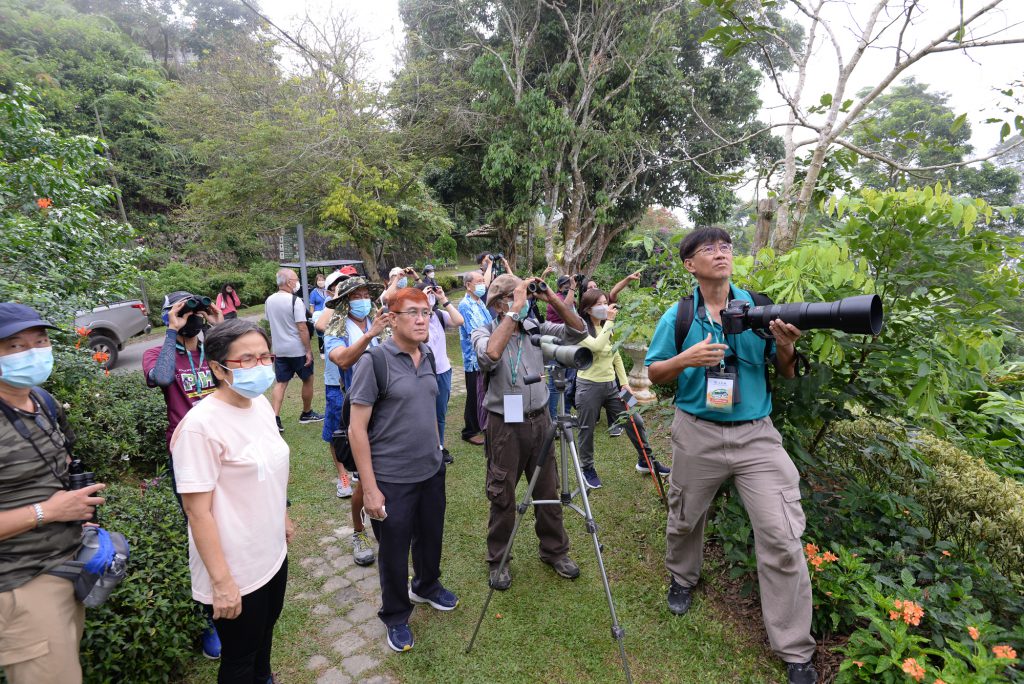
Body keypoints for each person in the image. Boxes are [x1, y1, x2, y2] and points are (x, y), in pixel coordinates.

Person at [645, 227, 816, 684]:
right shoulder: (679, 316)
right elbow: (655, 373)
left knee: (782, 534)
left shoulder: (760, 308)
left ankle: (795, 649)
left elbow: (787, 373)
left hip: (756, 436)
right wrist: (688, 358)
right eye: (708, 249)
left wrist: (786, 347)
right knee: (685, 515)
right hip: (697, 432)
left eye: (726, 247)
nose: (720, 254)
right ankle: (683, 577)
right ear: (690, 265)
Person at [171, 318, 293, 684]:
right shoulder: (200, 427)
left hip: (270, 553)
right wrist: (222, 582)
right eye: (246, 360)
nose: (260, 367)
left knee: (264, 638)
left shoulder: (258, 405)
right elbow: (196, 511)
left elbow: (271, 467)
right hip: (235, 568)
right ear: (217, 368)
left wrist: (282, 517)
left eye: (265, 357)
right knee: (240, 657)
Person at [0, 303, 106, 684]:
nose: (32, 352)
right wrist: (48, 511)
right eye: (14, 346)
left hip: (67, 565)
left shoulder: (41, 400)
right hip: (21, 584)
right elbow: (48, 505)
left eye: (40, 341)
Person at [348, 287, 457, 653]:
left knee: (430, 537)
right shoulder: (373, 362)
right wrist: (371, 488)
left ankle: (426, 585)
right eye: (412, 312)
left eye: (426, 312)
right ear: (391, 319)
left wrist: (437, 453)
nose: (422, 318)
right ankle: (396, 615)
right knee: (393, 552)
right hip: (392, 477)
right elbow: (356, 429)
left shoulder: (426, 355)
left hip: (430, 469)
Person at [471, 274, 586, 591]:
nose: (523, 302)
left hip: (539, 421)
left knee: (548, 489)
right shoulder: (484, 331)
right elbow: (489, 355)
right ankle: (499, 560)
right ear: (498, 304)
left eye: (524, 296)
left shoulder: (535, 329)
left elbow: (578, 332)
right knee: (502, 493)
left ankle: (554, 550)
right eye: (513, 297)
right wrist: (514, 310)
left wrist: (553, 299)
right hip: (504, 424)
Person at [142, 291, 224, 659]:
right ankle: (208, 618)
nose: (193, 317)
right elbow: (160, 379)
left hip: (224, 446)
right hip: (188, 453)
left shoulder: (212, 348)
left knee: (229, 521)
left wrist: (223, 330)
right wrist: (172, 333)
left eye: (196, 310)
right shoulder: (159, 354)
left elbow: (239, 380)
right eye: (183, 311)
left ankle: (234, 586)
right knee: (199, 531)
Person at [323, 276, 391, 567]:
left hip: (387, 406)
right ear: (344, 302)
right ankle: (359, 531)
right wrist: (369, 335)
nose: (363, 298)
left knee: (389, 470)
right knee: (364, 480)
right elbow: (342, 361)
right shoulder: (336, 329)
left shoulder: (378, 323)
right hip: (359, 407)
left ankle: (390, 525)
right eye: (356, 295)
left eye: (366, 293)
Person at [574, 289, 669, 490]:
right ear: (588, 309)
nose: (605, 307)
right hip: (588, 386)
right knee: (586, 429)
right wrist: (609, 321)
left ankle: (646, 460)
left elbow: (615, 355)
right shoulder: (580, 328)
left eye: (605, 303)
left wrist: (624, 382)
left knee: (636, 419)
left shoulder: (607, 327)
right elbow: (597, 347)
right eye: (600, 304)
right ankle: (587, 468)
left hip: (613, 385)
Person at [313, 271, 355, 499]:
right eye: (339, 286)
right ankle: (343, 478)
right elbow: (320, 325)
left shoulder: (360, 313)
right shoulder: (324, 311)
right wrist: (337, 298)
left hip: (361, 384)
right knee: (337, 434)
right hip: (335, 385)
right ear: (330, 291)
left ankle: (357, 468)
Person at [265, 268, 323, 432]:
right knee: (308, 379)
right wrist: (308, 350)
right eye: (296, 279)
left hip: (279, 350)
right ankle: (306, 412)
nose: (297, 282)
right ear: (289, 282)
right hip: (297, 349)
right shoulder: (294, 301)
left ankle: (274, 418)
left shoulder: (269, 300)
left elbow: (270, 322)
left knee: (281, 383)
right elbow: (302, 327)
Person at [414, 282, 464, 464]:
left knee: (440, 412)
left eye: (432, 293)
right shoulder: (416, 318)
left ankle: (439, 447)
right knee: (422, 412)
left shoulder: (440, 315)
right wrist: (423, 306)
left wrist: (443, 299)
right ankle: (424, 448)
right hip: (422, 373)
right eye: (427, 293)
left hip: (443, 370)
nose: (431, 296)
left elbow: (459, 321)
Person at [457, 271, 493, 446]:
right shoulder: (465, 305)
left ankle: (481, 424)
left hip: (484, 355)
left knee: (482, 392)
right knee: (473, 394)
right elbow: (475, 331)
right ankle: (469, 431)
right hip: (473, 358)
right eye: (478, 281)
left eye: (482, 281)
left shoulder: (479, 302)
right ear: (468, 285)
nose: (482, 284)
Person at [309, 273, 330, 359]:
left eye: (322, 280)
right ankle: (322, 351)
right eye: (319, 280)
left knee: (329, 331)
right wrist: (312, 317)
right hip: (318, 315)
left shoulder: (328, 291)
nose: (321, 282)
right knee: (320, 333)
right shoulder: (314, 292)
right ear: (316, 282)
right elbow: (312, 306)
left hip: (328, 313)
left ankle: (329, 348)